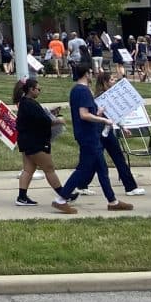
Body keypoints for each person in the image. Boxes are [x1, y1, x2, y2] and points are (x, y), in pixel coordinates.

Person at [57, 64, 133, 211]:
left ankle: (112, 201)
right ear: (86, 74)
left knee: (102, 169)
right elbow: (83, 115)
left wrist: (98, 112)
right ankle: (61, 199)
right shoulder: (83, 91)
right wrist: (104, 120)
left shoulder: (75, 90)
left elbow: (85, 113)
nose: (92, 74)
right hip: (89, 136)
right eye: (90, 72)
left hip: (87, 134)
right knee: (83, 169)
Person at [12, 79, 76, 212]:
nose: (39, 91)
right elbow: (44, 121)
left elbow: (37, 119)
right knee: (49, 168)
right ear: (31, 89)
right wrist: (58, 120)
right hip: (36, 142)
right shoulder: (30, 104)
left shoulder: (25, 103)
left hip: (26, 141)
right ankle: (64, 195)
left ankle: (22, 197)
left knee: (28, 170)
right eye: (38, 89)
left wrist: (51, 114)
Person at [93, 70, 146, 197]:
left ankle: (130, 187)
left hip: (108, 132)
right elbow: (96, 115)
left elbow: (115, 113)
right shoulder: (100, 98)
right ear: (105, 82)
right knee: (94, 161)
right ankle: (81, 185)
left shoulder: (111, 95)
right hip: (99, 132)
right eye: (111, 80)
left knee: (118, 158)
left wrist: (123, 126)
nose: (114, 81)